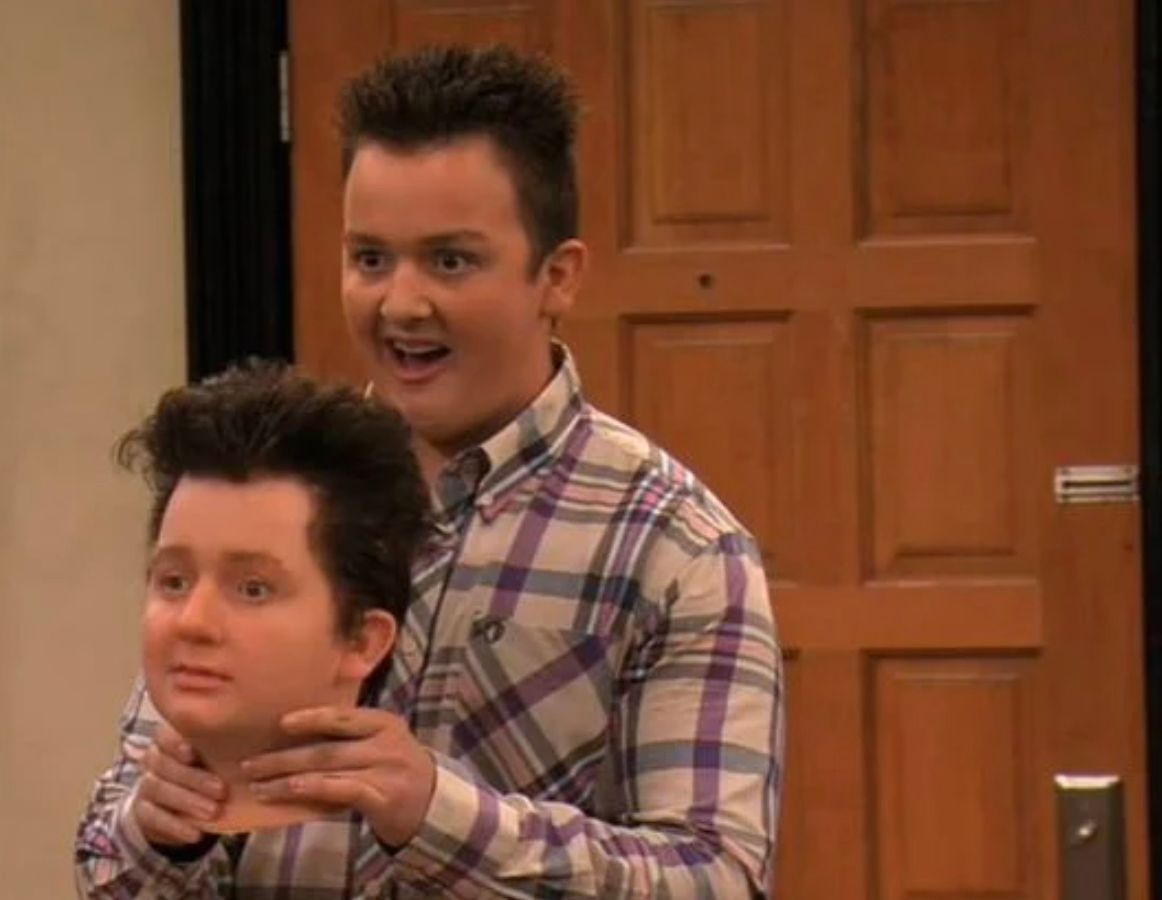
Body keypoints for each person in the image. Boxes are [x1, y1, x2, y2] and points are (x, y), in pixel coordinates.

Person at [76, 45, 784, 899]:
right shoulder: (269, 492)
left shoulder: (675, 547)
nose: (401, 304)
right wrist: (156, 832)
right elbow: (111, 862)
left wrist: (437, 816)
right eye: (370, 259)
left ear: (557, 277)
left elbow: (717, 879)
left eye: (450, 261)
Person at [121, 361, 432, 837]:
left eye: (252, 589)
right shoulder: (128, 803)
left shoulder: (426, 823)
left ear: (362, 641)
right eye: (174, 582)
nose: (192, 622)